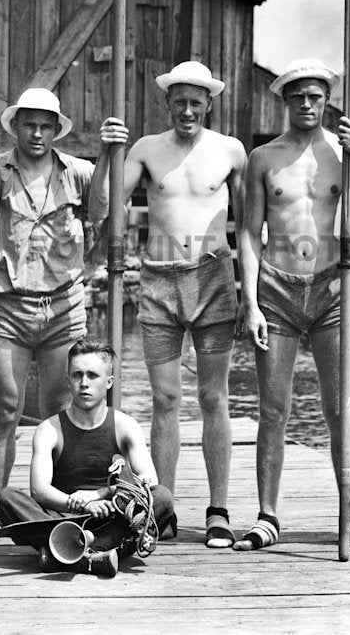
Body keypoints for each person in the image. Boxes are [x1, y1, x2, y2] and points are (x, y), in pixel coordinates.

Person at [0, 81, 126, 543]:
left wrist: (109, 152)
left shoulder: (76, 171)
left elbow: (102, 209)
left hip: (63, 307)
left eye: (46, 126)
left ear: (56, 130)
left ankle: (58, 505)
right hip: (7, 306)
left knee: (59, 410)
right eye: (30, 125)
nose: (38, 134)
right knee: (6, 407)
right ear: (16, 128)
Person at [236, 59, 350, 551]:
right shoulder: (263, 158)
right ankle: (267, 516)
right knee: (273, 409)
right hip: (277, 289)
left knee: (340, 409)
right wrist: (250, 301)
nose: (306, 104)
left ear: (327, 101)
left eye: (315, 97)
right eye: (297, 96)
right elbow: (248, 233)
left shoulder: (343, 154)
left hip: (331, 290)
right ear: (285, 100)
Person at [98, 61, 245, 546]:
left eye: (195, 103)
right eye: (179, 102)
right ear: (167, 103)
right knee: (165, 399)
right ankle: (162, 508)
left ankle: (218, 510)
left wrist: (250, 292)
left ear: (209, 105)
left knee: (213, 397)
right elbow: (104, 206)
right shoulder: (146, 149)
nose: (187, 111)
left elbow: (249, 225)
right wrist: (107, 153)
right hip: (158, 280)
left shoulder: (230, 151)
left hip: (213, 278)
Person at [0, 338, 175, 559]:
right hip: (61, 518)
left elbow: (149, 482)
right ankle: (96, 553)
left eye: (92, 375)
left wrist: (102, 495)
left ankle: (69, 550)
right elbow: (39, 490)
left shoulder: (126, 426)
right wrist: (83, 506)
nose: (84, 383)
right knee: (7, 498)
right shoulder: (49, 429)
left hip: (113, 517)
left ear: (108, 382)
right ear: (68, 380)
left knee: (162, 497)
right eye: (77, 375)